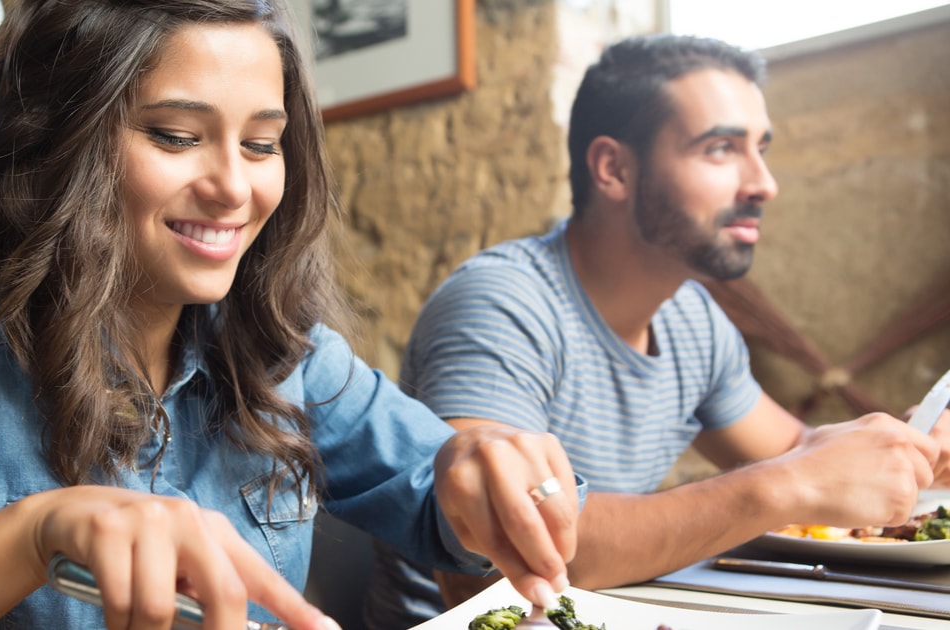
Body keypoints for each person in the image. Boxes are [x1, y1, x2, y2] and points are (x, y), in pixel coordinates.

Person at [0, 1, 585, 627]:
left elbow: (441, 505)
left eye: (262, 145)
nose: (234, 186)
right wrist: (34, 535)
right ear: (62, 139)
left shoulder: (273, 346)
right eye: (177, 135)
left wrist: (477, 472)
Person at [364, 32, 950, 629]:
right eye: (721, 149)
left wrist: (913, 445)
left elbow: (802, 457)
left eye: (761, 149)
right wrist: (785, 485)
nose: (763, 183)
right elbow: (496, 555)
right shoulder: (501, 304)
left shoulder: (692, 319)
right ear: (614, 168)